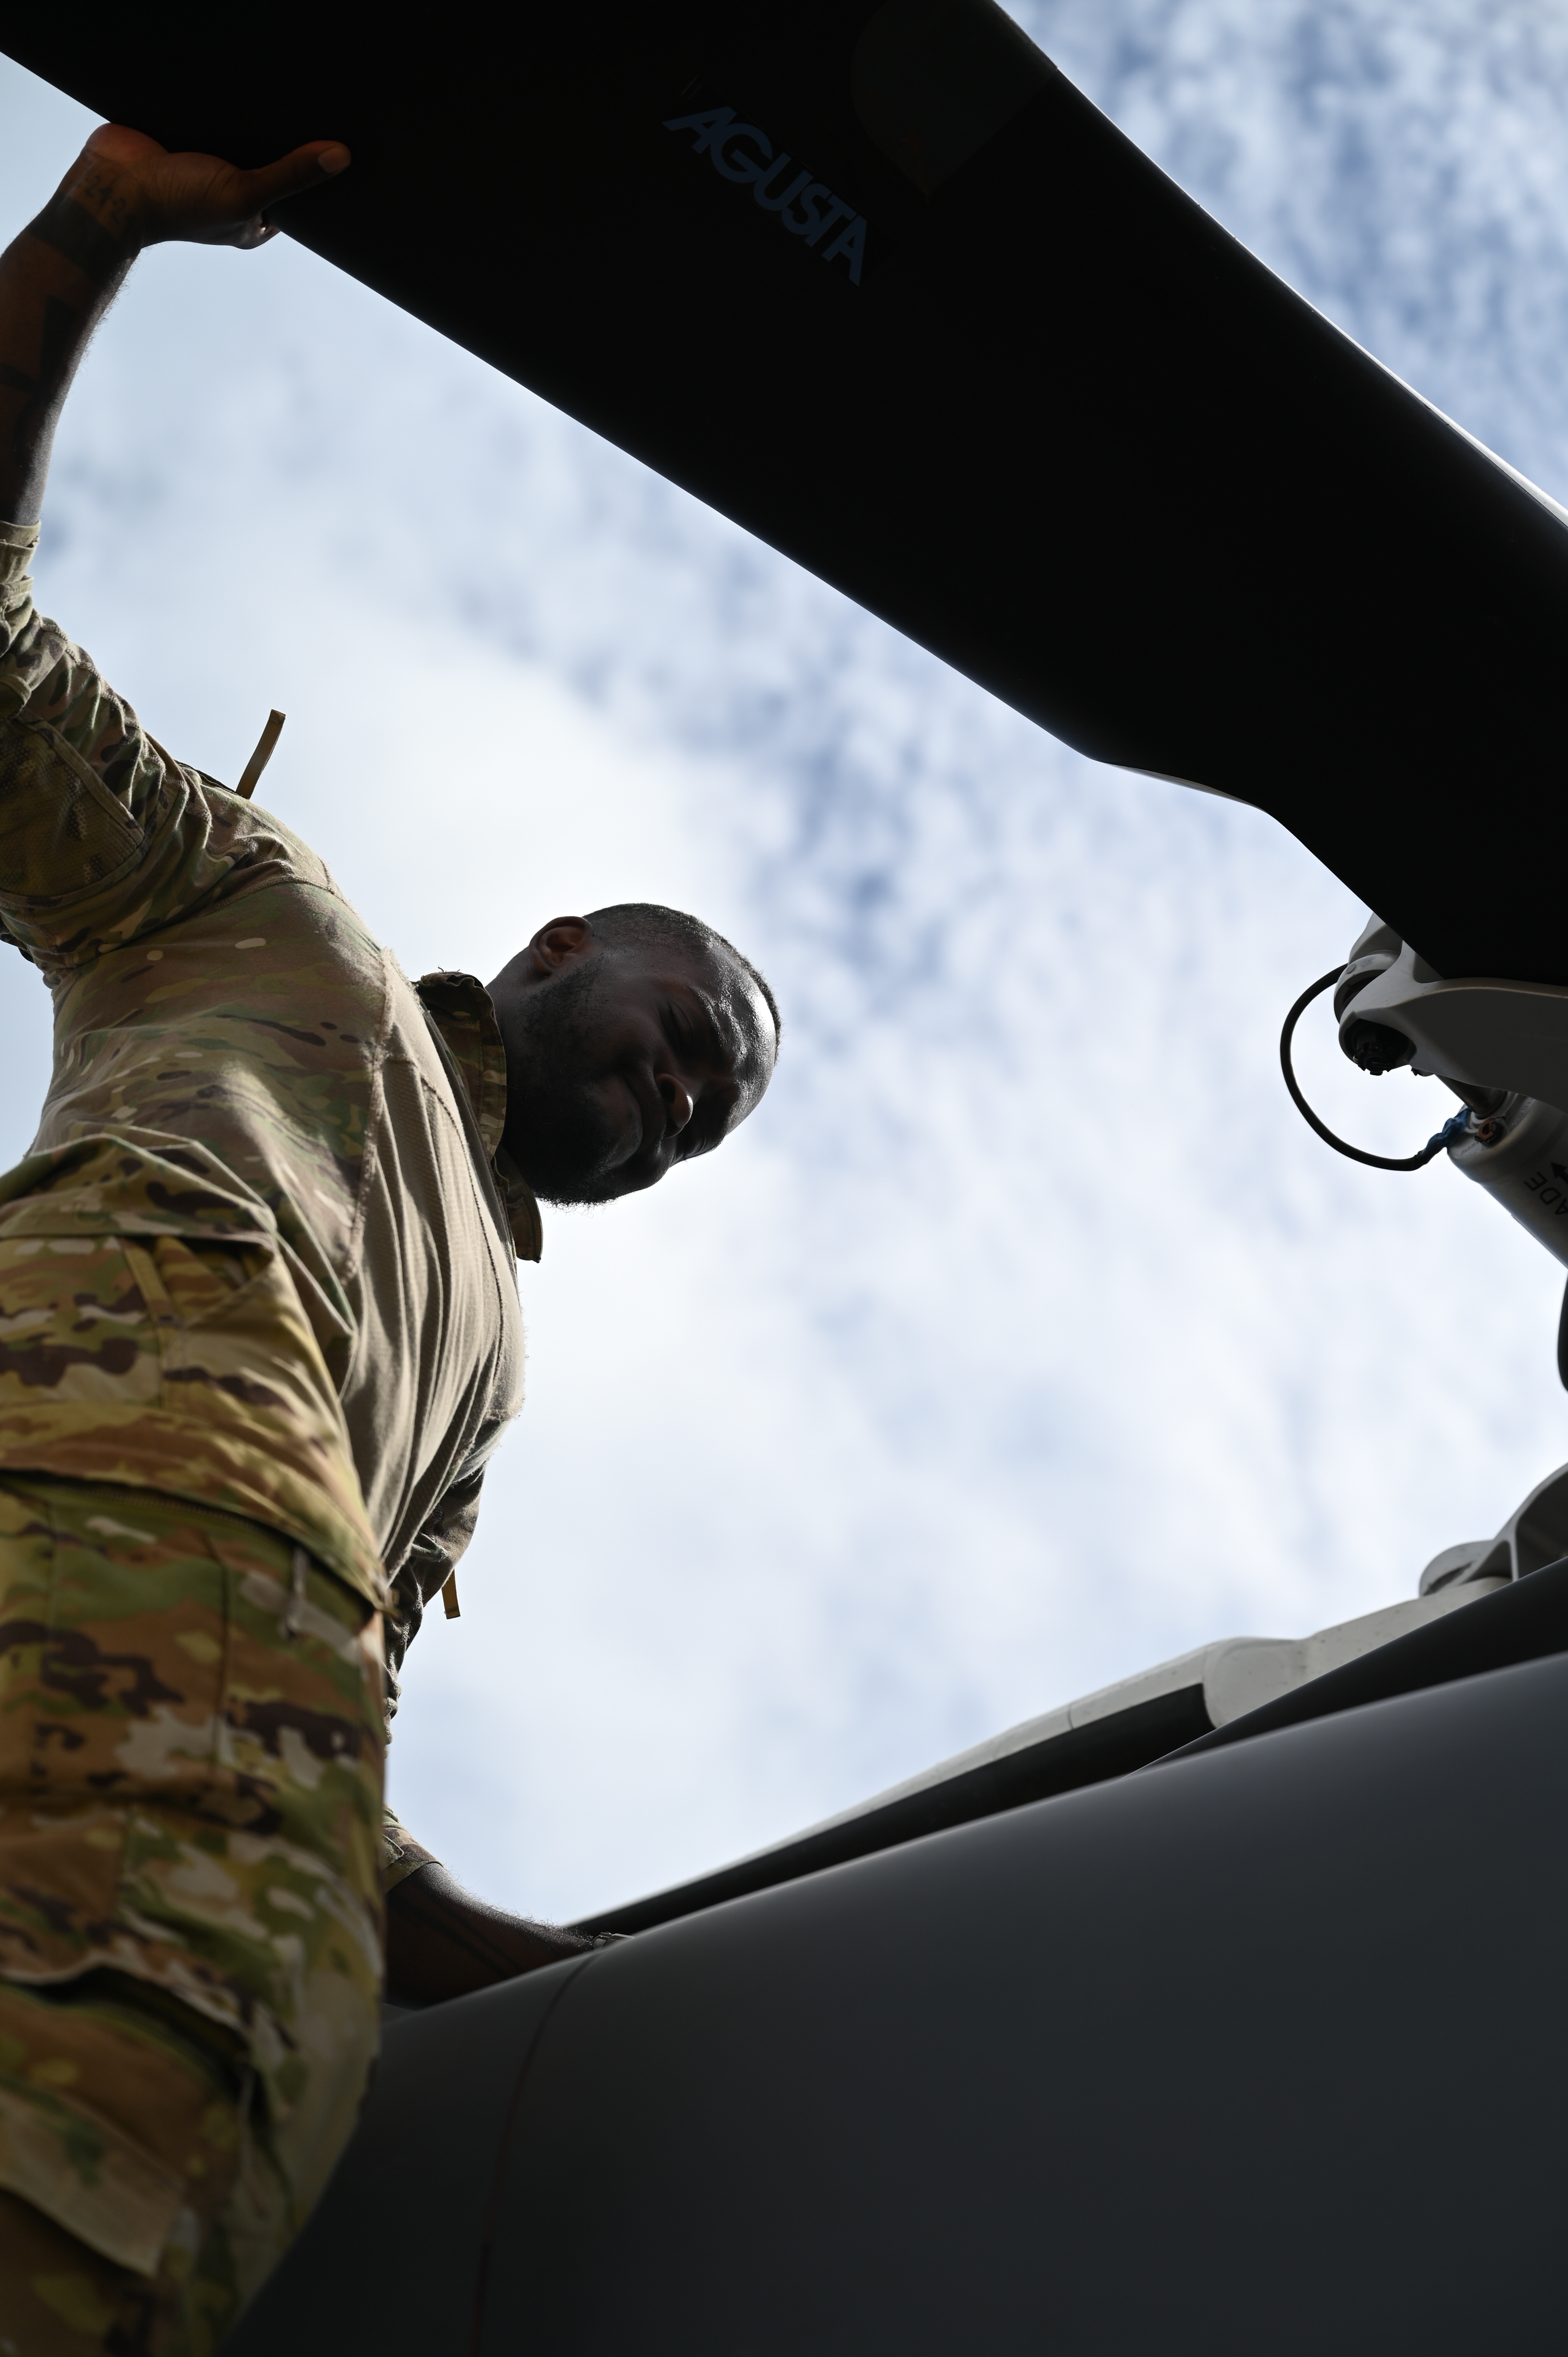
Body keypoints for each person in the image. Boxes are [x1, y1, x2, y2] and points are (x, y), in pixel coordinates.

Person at [0, 123, 780, 2354]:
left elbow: (322, 1722)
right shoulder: (267, 916)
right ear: (554, 950)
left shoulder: (475, 1401)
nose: (678, 1101)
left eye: (704, 1120)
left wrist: (570, 1985)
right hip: (111, 1427)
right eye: (681, 1036)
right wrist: (91, 239)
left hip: (235, 1819)